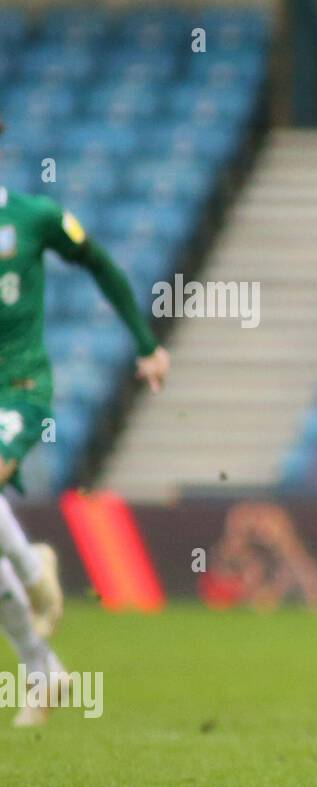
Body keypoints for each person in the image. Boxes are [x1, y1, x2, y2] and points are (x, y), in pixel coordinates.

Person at [0, 116, 170, 726]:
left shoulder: (34, 217)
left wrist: (146, 343)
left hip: (19, 387)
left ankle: (29, 570)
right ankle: (42, 665)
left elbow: (99, 262)